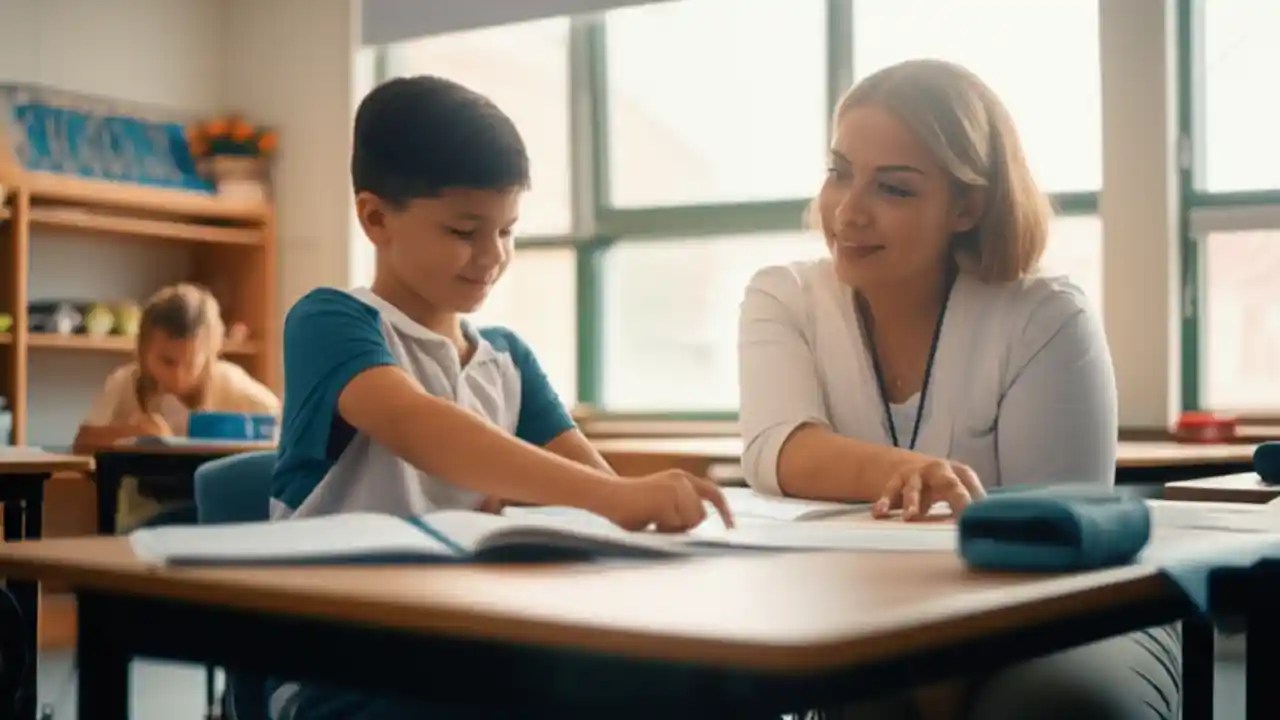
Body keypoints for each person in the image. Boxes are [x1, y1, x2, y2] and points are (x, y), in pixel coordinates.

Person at [268, 75, 731, 720]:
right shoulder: (331, 322)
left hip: (473, 645)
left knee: (692, 688)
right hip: (340, 666)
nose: (492, 256)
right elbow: (420, 427)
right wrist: (616, 496)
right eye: (464, 231)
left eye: (507, 231)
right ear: (375, 218)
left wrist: (647, 507)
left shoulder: (505, 357)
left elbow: (590, 489)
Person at [738, 59, 1178, 719]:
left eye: (894, 189)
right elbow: (780, 450)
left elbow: (1054, 536)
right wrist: (914, 472)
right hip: (866, 598)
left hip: (1068, 605)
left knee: (1051, 706)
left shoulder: (1044, 316)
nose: (849, 211)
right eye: (840, 173)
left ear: (967, 206)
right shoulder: (784, 295)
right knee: (867, 696)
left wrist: (942, 667)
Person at [74, 283, 280, 530]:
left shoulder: (234, 386)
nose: (179, 376)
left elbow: (283, 428)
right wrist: (133, 434)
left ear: (210, 353)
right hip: (143, 517)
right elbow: (82, 442)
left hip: (220, 518)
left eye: (191, 362)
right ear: (143, 349)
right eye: (166, 361)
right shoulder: (125, 382)